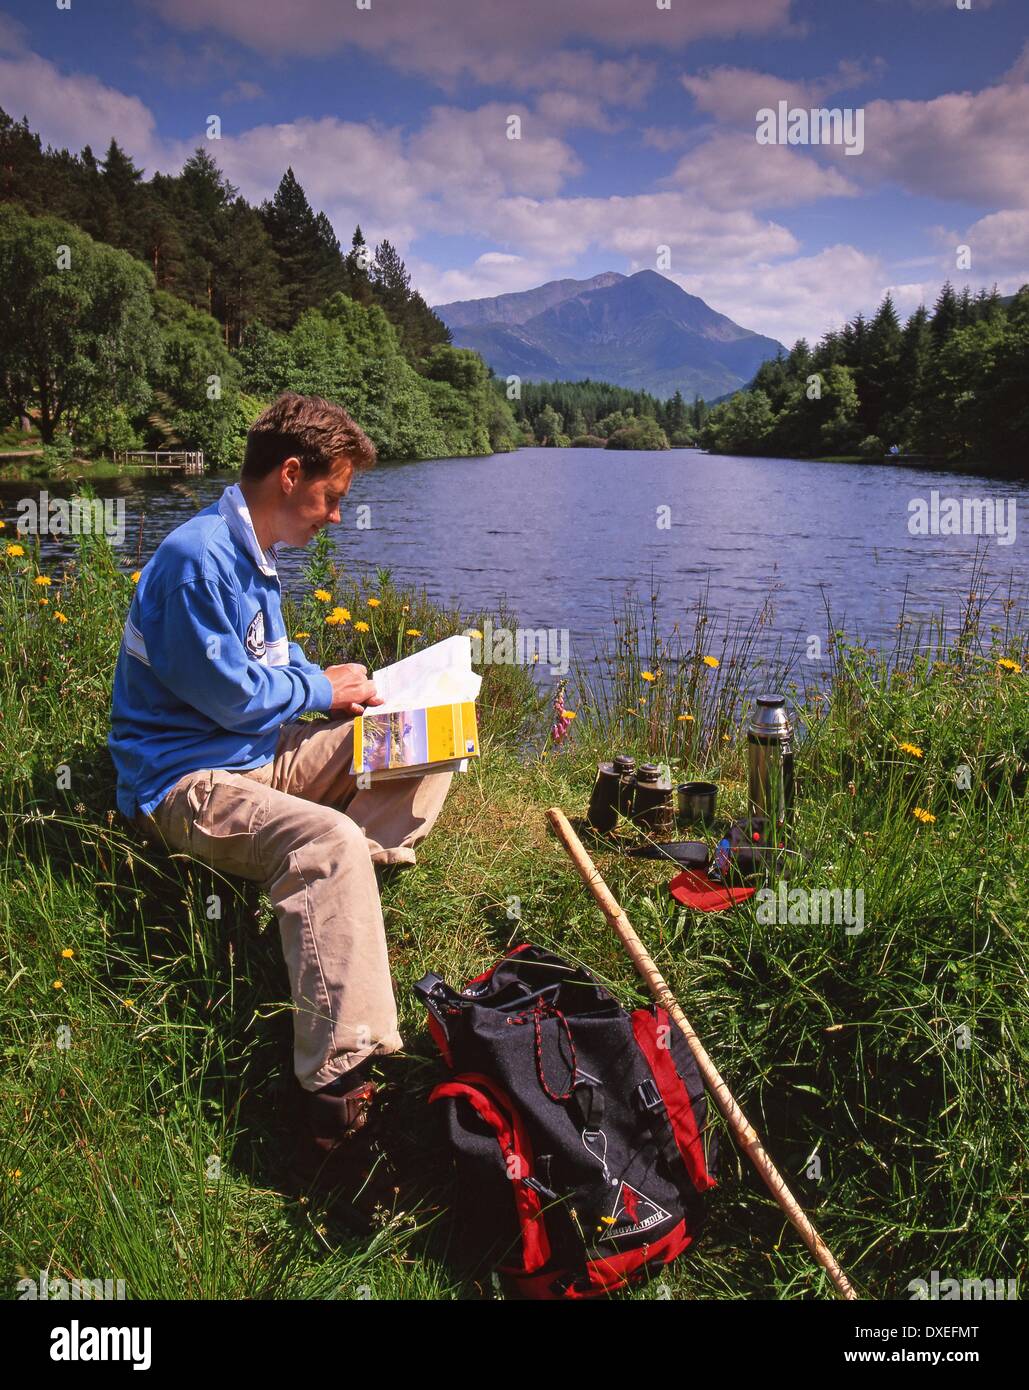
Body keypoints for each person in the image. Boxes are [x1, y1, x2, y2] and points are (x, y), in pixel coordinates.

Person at [107, 392, 453, 1192]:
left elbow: (274, 671)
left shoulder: (251, 553)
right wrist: (320, 688)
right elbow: (228, 695)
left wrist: (343, 688)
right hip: (187, 779)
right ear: (289, 473)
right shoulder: (197, 558)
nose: (335, 517)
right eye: (332, 496)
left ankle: (337, 905)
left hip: (257, 754)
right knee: (325, 840)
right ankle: (336, 1112)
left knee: (423, 739)